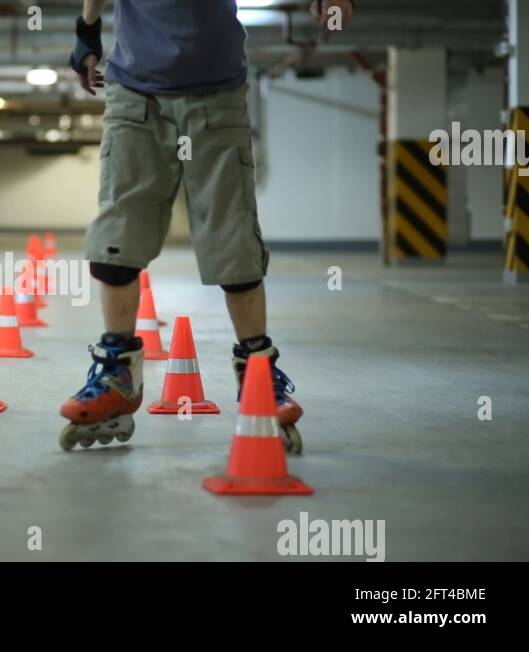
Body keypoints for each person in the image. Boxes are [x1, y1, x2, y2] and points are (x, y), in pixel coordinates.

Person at [58, 0, 355, 452]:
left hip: (216, 92)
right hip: (136, 94)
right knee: (116, 239)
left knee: (233, 240)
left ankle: (258, 374)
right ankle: (116, 371)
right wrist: (88, 28)